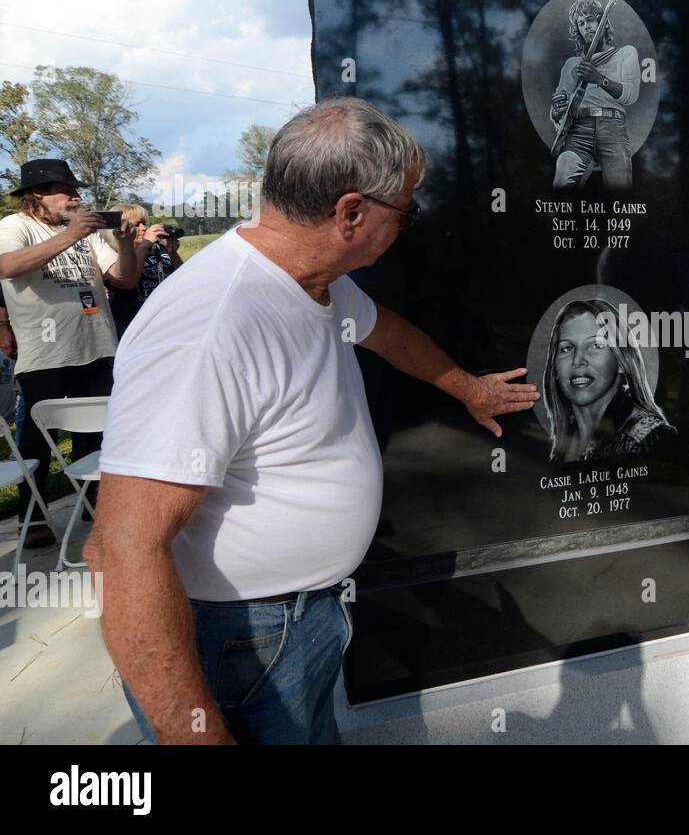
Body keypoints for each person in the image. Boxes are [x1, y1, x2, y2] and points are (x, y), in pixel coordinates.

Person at [84, 98, 540, 745]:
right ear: (351, 212)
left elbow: (384, 331)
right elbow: (120, 550)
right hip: (236, 639)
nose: (408, 225)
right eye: (406, 212)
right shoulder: (213, 326)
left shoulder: (314, 280)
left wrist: (468, 388)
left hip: (299, 623)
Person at [0, 158, 145, 545]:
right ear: (37, 195)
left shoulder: (85, 232)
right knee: (36, 443)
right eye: (66, 189)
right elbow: (7, 266)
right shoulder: (15, 227)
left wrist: (129, 247)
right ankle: (31, 518)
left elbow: (125, 279)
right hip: (46, 354)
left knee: (102, 434)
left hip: (97, 347)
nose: (76, 196)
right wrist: (71, 235)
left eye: (76, 189)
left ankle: (96, 505)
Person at [541, 298, 672, 462]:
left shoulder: (649, 440)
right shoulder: (565, 444)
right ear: (554, 368)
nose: (577, 360)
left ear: (621, 361)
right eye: (567, 348)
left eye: (596, 345)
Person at [550, 0, 641, 191]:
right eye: (581, 24)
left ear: (604, 22)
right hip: (579, 130)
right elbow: (558, 113)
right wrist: (557, 109)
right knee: (562, 181)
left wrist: (599, 79)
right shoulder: (573, 64)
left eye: (590, 20)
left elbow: (631, 94)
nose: (586, 27)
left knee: (620, 192)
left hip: (613, 128)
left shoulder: (626, 53)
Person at [106, 204, 173, 338]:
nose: (143, 228)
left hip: (164, 320)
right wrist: (144, 245)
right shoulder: (112, 255)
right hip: (133, 325)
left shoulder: (157, 249)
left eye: (144, 223)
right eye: (136, 225)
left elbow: (177, 273)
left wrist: (172, 252)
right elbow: (129, 281)